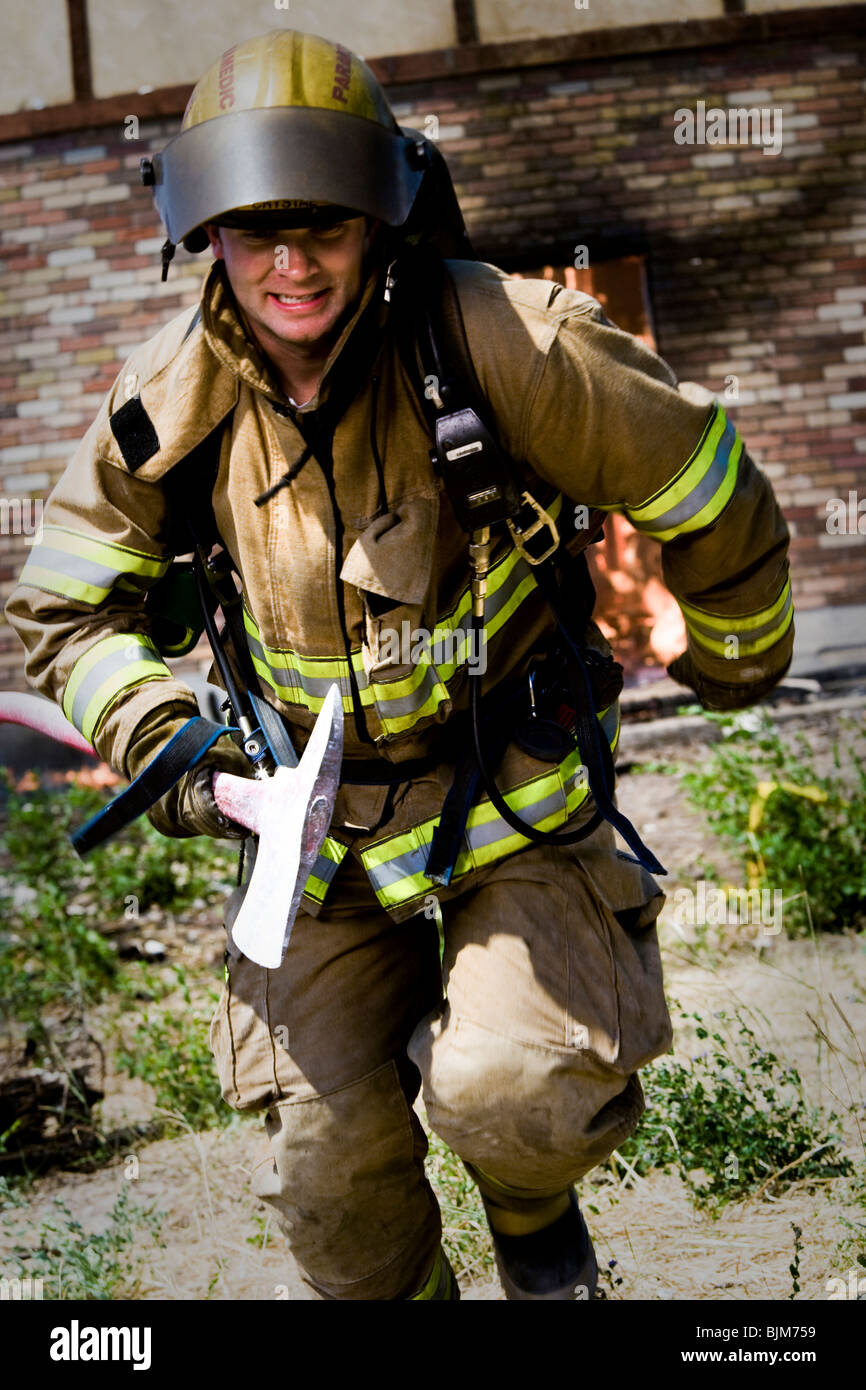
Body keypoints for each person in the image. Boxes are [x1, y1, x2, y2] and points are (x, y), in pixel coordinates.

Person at [4, 29, 794, 1301]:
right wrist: (170, 735)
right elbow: (62, 610)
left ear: (381, 214)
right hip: (310, 842)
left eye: (321, 221)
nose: (291, 261)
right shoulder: (166, 402)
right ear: (207, 235)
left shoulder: (506, 342)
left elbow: (703, 478)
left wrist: (739, 661)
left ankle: (535, 1231)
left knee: (505, 1091)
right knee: (324, 1179)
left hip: (510, 800)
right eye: (254, 229)